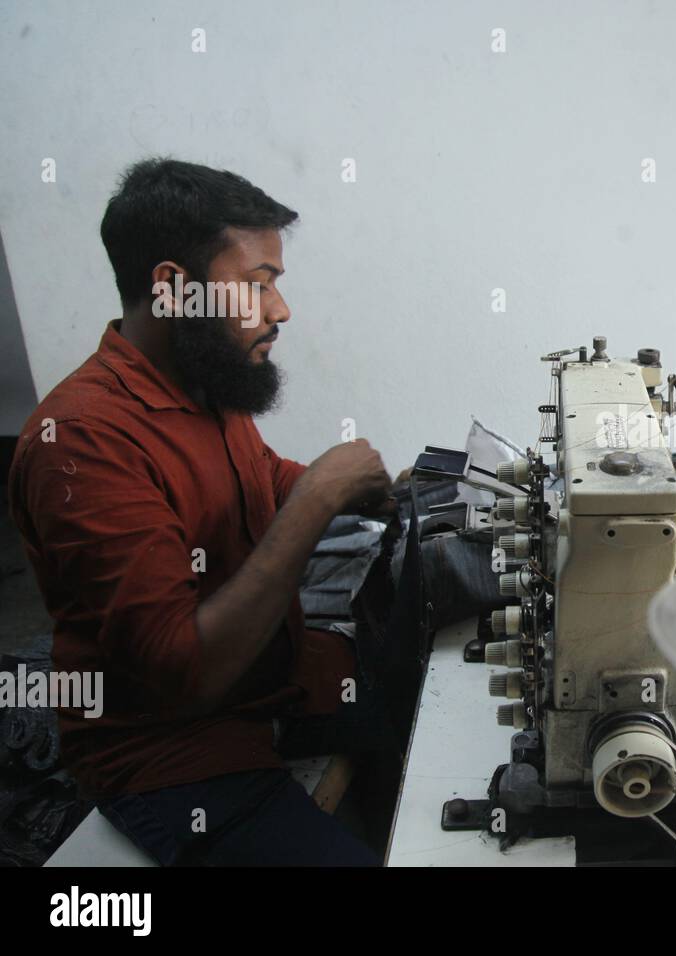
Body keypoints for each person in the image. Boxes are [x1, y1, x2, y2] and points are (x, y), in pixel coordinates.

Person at [7, 158, 394, 865]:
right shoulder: (81, 445)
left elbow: (257, 480)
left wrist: (377, 487)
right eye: (257, 285)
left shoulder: (200, 379)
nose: (280, 311)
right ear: (174, 288)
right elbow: (184, 673)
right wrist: (318, 500)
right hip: (173, 754)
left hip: (274, 683)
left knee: (455, 712)